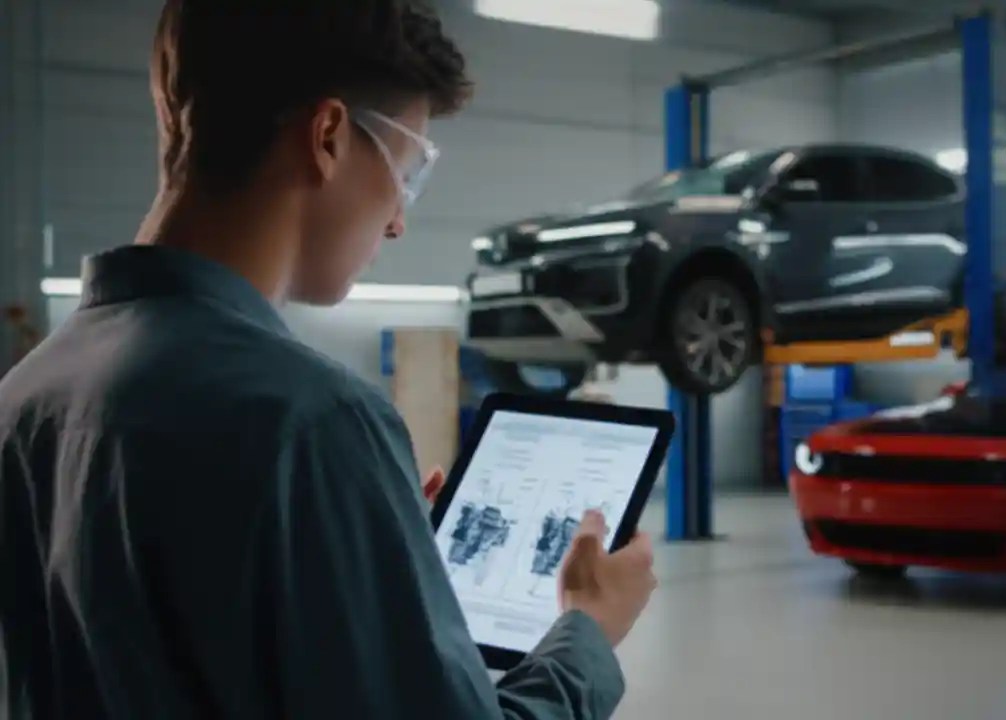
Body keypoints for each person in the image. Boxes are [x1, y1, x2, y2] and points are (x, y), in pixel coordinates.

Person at [0, 1, 657, 718]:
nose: (398, 221)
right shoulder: (312, 422)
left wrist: (360, 548)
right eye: (407, 172)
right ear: (328, 137)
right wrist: (587, 633)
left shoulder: (26, 396)